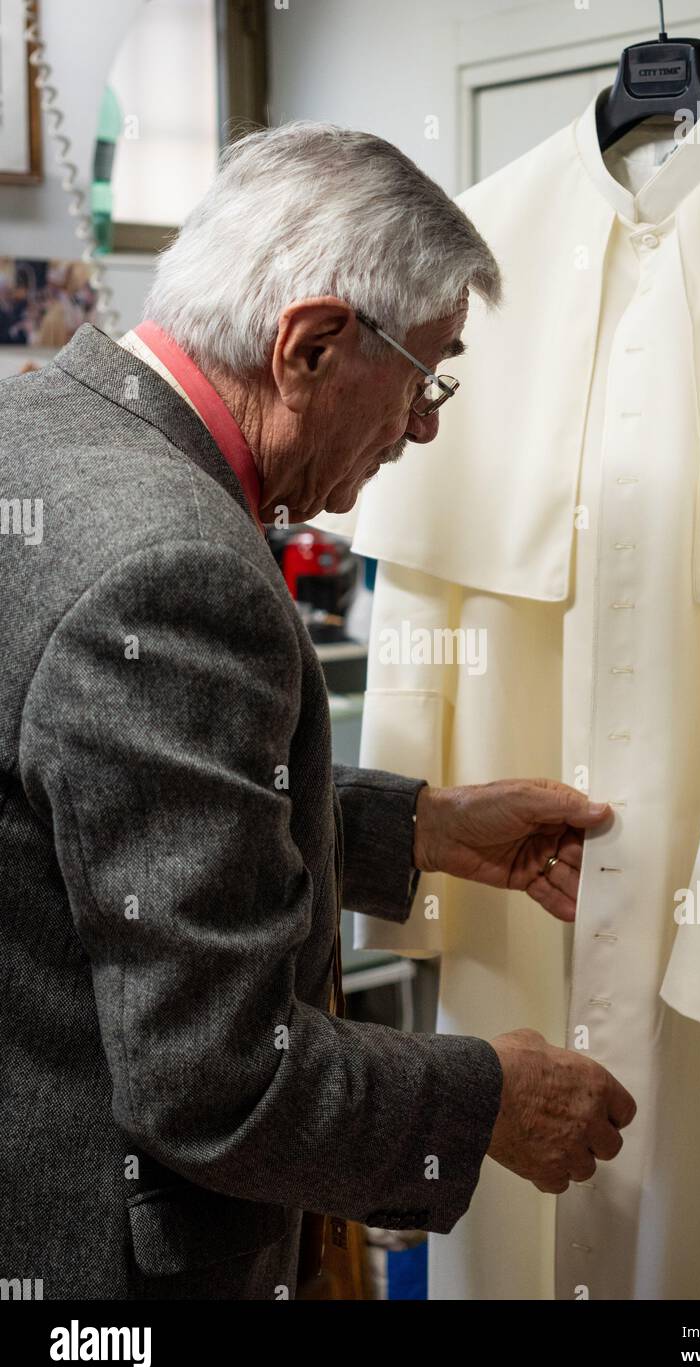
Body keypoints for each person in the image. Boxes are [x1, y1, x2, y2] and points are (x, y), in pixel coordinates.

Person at [0, 122, 635, 1301]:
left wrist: (419, 830)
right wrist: (482, 1098)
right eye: (427, 374)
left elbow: (94, 814)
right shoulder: (171, 568)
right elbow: (218, 1073)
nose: (426, 424)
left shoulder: (37, 436)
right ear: (311, 344)